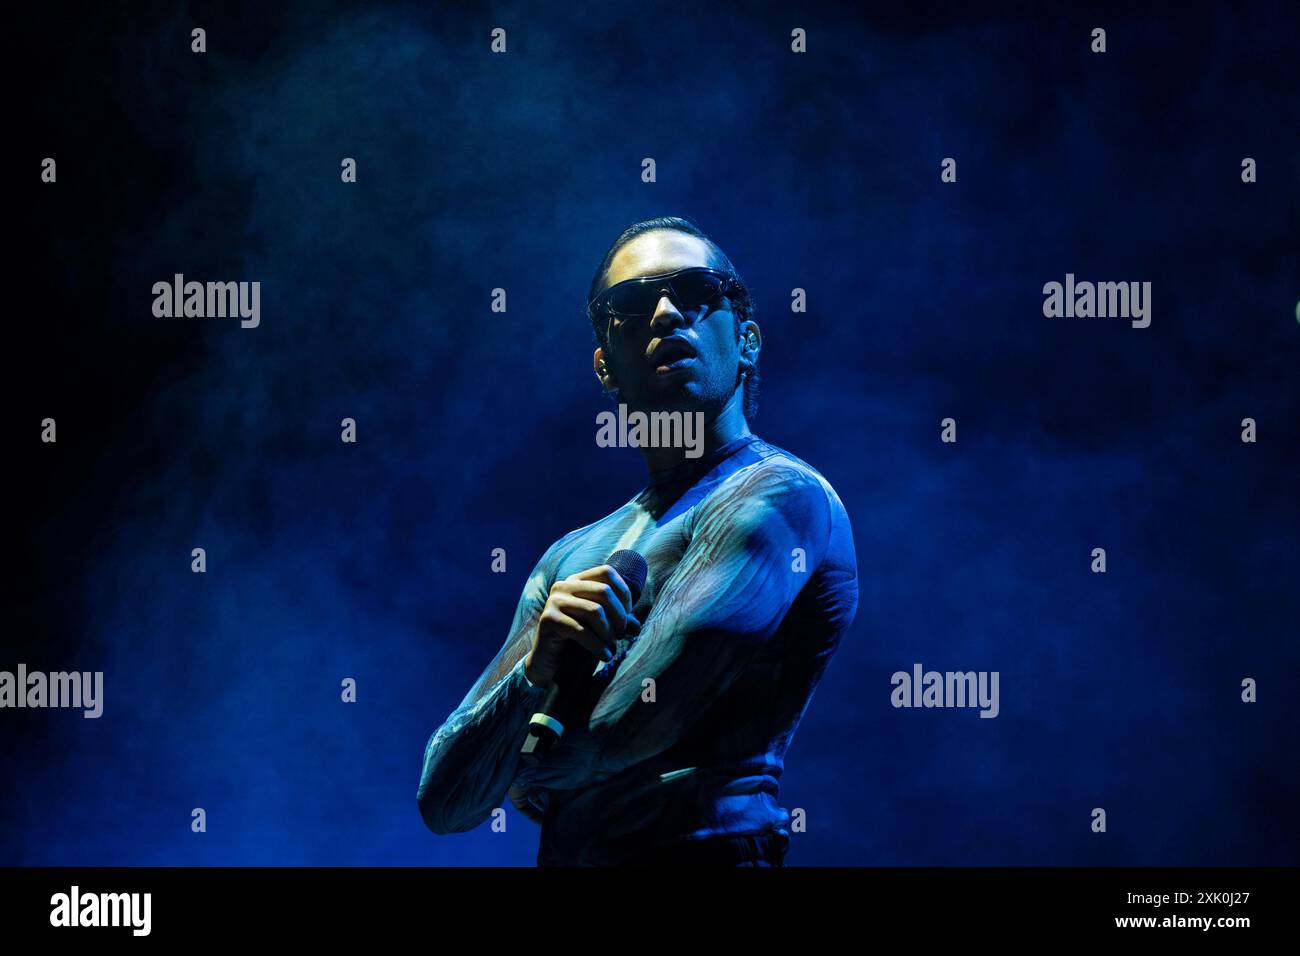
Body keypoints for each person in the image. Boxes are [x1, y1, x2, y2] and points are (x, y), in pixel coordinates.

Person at [417, 215, 858, 866]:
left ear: (747, 340)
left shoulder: (780, 497)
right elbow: (444, 801)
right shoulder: (569, 556)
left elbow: (616, 735)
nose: (662, 311)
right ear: (604, 367)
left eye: (694, 290)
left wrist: (517, 762)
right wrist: (534, 673)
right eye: (629, 302)